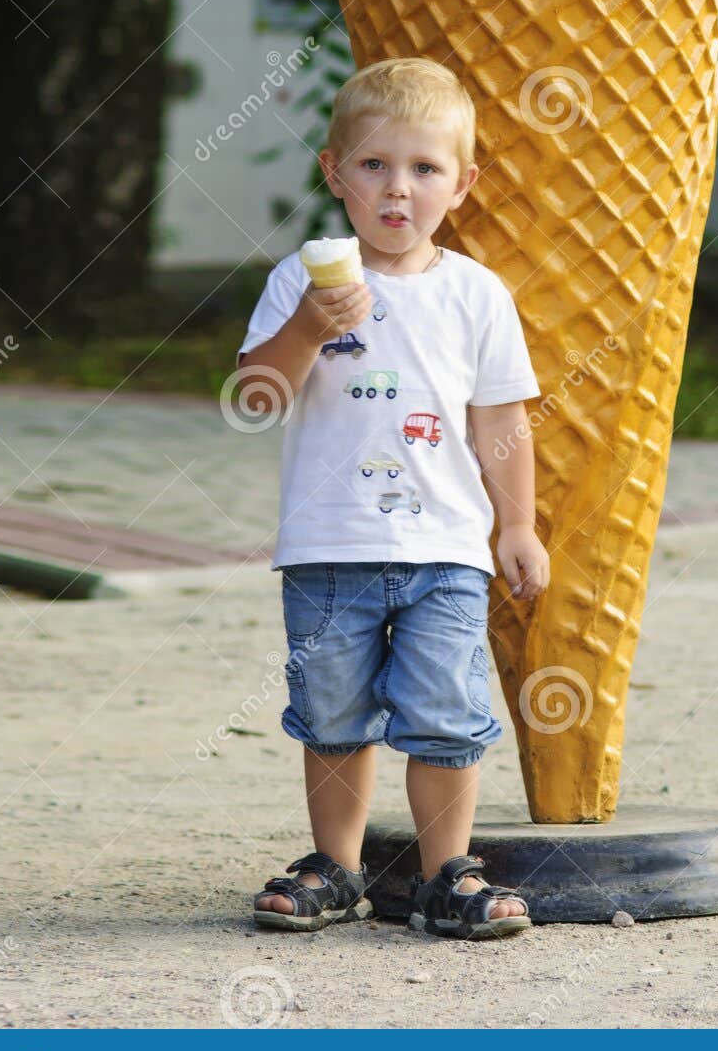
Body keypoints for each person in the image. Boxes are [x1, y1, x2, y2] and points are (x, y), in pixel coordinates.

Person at [236, 57, 550, 940]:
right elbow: (258, 396)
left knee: (446, 714)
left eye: (424, 168)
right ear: (334, 173)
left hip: (445, 550)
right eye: (373, 165)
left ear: (463, 184)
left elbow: (500, 418)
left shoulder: (474, 293)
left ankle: (447, 873)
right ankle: (334, 868)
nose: (397, 188)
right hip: (327, 548)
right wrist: (309, 327)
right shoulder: (299, 284)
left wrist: (516, 523)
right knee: (332, 715)